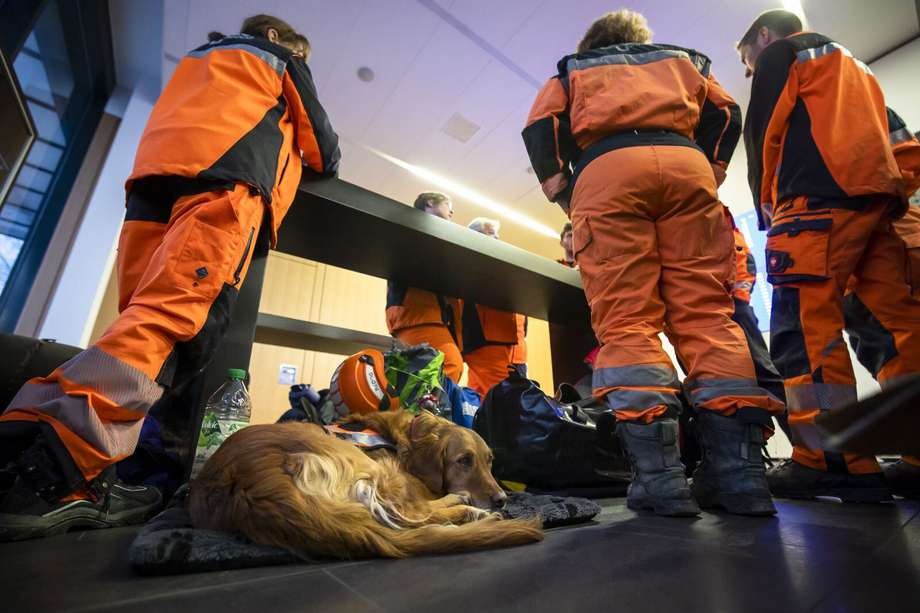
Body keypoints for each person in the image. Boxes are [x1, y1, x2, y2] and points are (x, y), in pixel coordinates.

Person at [0, 14, 340, 540]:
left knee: (140, 327)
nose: (304, 63)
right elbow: (325, 149)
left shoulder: (201, 60)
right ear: (278, 38)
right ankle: (46, 476)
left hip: (152, 188)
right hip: (223, 182)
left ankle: (61, 461)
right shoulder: (277, 58)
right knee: (169, 327)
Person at [523, 10, 783, 517]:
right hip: (686, 170)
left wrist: (570, 194)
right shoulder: (685, 63)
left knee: (627, 321)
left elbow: (540, 127)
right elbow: (727, 113)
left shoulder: (574, 70)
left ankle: (661, 481)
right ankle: (740, 478)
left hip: (608, 172)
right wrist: (706, 169)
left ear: (594, 43)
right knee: (709, 314)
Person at [738, 9, 920, 502]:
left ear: (763, 36)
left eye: (747, 61)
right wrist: (887, 196)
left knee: (803, 327)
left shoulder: (785, 52)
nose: (750, 70)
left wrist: (767, 207)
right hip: (879, 204)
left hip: (815, 207)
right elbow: (906, 146)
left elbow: (764, 135)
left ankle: (832, 458)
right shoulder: (859, 71)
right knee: (893, 330)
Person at [843, 110, 920, 499]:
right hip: (900, 235)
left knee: (895, 347)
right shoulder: (868, 106)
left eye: (745, 60)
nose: (750, 71)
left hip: (876, 249)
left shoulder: (829, 107)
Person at [386, 192, 464, 383]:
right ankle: (424, 411)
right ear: (430, 202)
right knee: (449, 363)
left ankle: (418, 410)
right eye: (447, 204)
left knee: (421, 372)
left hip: (420, 317)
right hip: (419, 315)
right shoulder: (412, 229)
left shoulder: (422, 235)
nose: (452, 211)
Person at [726, 210, 789, 437]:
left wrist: (737, 299)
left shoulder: (705, 211)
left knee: (767, 375)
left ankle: (813, 449)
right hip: (718, 308)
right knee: (729, 384)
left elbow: (742, 256)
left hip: (730, 306)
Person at [462, 218, 528, 396]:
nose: (497, 239)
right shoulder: (469, 262)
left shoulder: (502, 265)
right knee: (504, 396)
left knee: (483, 397)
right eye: (491, 234)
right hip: (486, 340)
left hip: (508, 342)